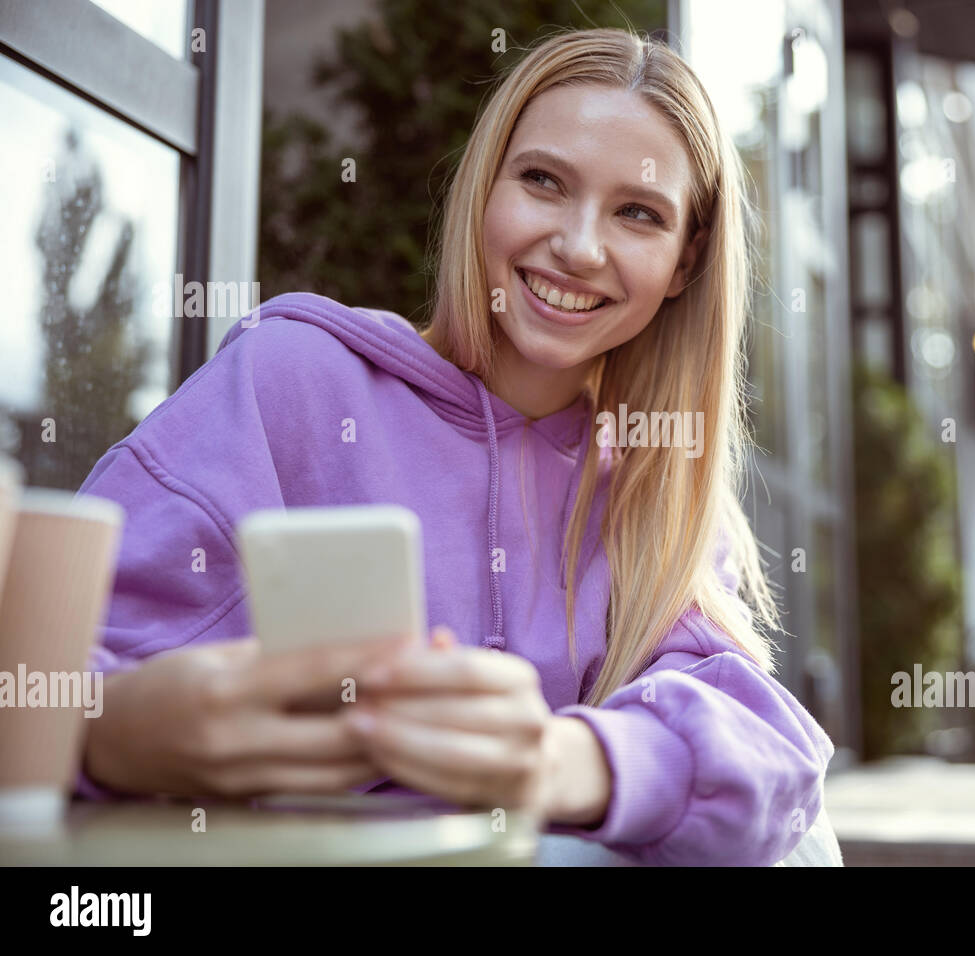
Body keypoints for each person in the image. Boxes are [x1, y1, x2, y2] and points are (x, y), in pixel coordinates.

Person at [75, 28, 835, 866]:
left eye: (638, 213)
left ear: (685, 263)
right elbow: (47, 665)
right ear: (485, 191)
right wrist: (108, 734)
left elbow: (768, 756)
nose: (580, 247)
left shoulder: (656, 490)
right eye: (544, 181)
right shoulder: (295, 379)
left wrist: (557, 762)